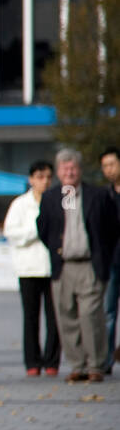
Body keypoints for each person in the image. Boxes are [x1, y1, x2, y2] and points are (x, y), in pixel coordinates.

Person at [35, 148, 120, 383]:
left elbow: (112, 228)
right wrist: (56, 249)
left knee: (91, 316)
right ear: (59, 172)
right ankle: (78, 364)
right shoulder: (52, 197)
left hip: (89, 265)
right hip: (63, 266)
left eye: (73, 167)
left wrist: (101, 255)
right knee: (67, 317)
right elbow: (43, 228)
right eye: (65, 168)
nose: (69, 172)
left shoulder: (97, 196)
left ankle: (96, 365)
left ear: (80, 170)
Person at [2, 161, 59, 376]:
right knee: (31, 316)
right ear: (31, 179)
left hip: (53, 267)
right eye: (39, 177)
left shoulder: (58, 201)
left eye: (47, 177)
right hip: (28, 268)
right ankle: (32, 362)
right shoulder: (20, 204)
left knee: (54, 317)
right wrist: (36, 229)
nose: (44, 181)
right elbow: (11, 233)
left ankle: (52, 361)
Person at [99, 146, 120, 372]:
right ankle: (106, 360)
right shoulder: (104, 195)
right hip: (112, 260)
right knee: (109, 312)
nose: (109, 170)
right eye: (105, 166)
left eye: (112, 164)